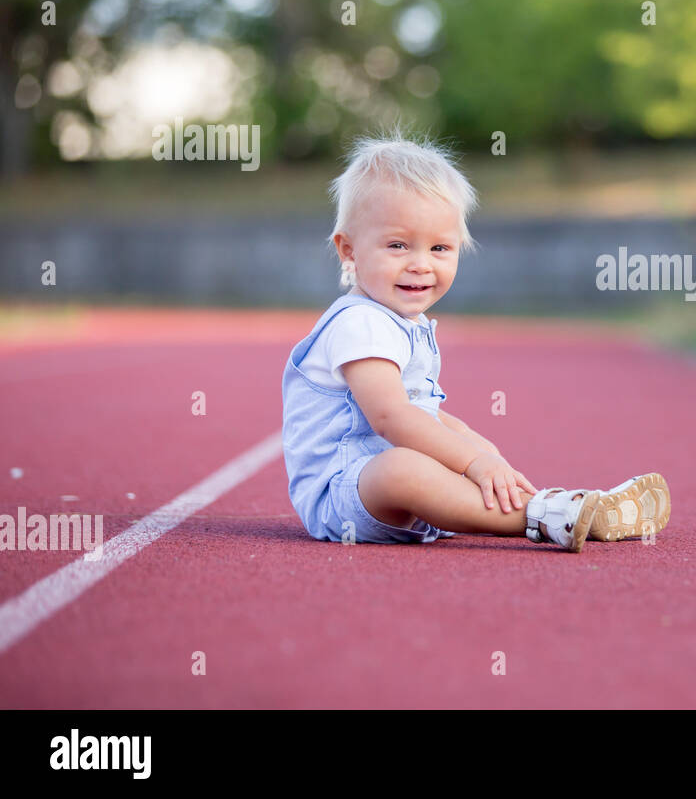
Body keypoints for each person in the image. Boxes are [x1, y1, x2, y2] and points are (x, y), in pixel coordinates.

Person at [281, 133, 670, 553]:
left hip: (381, 490)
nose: (420, 263)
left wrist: (482, 451)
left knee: (458, 455)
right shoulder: (359, 323)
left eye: (440, 248)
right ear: (349, 250)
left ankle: (556, 508)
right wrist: (473, 462)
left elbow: (428, 413)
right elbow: (391, 416)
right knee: (404, 468)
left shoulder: (402, 323)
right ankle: (542, 515)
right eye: (397, 245)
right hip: (343, 495)